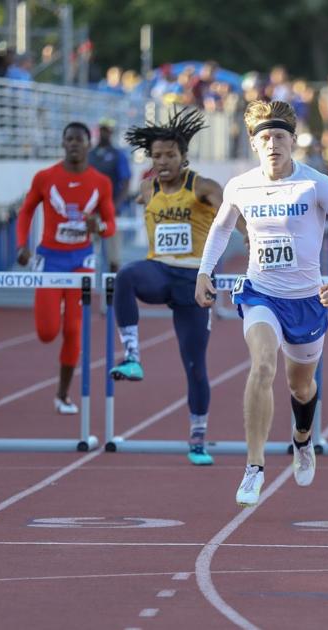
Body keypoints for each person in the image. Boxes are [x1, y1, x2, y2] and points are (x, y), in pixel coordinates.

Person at [195, 100, 328, 506]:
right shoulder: (240, 186)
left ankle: (302, 439)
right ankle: (254, 467)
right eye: (265, 138)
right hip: (260, 293)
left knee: (301, 385)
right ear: (254, 145)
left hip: (307, 301)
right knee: (262, 365)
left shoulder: (316, 185)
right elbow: (221, 230)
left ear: (293, 141)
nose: (272, 144)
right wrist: (204, 271)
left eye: (279, 137)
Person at [110, 108, 229, 466]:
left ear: (184, 157)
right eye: (156, 156)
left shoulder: (204, 187)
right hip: (159, 272)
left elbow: (232, 220)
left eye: (170, 156)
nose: (162, 162)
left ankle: (198, 438)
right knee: (127, 275)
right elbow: (134, 203)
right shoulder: (147, 188)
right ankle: (132, 357)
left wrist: (254, 245)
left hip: (194, 281)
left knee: (195, 366)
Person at [15, 122, 117, 414]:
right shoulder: (45, 178)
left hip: (81, 261)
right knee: (47, 332)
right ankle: (53, 318)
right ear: (63, 143)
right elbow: (25, 212)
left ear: (89, 144)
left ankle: (62, 394)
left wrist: (97, 226)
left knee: (74, 328)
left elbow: (110, 227)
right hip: (50, 259)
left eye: (79, 140)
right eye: (69, 139)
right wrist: (22, 245)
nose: (74, 144)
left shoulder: (101, 183)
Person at [88, 118, 133, 273]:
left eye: (107, 130)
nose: (104, 133)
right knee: (88, 255)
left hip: (112, 212)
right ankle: (90, 292)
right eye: (102, 129)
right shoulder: (90, 155)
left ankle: (113, 291)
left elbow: (126, 182)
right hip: (91, 212)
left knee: (114, 257)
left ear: (111, 132)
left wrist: (114, 206)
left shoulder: (118, 155)